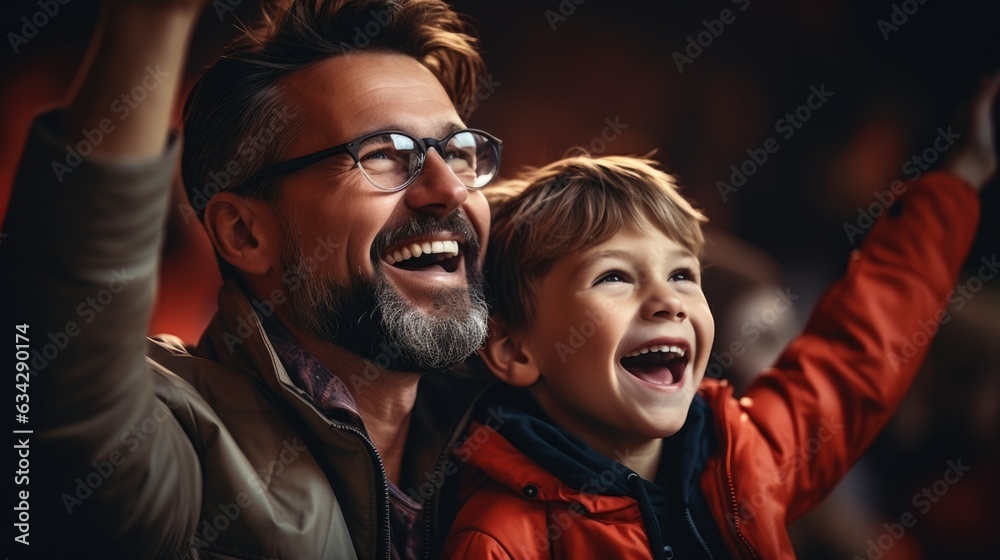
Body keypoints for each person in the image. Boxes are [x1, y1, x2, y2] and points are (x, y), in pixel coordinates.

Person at [2, 0, 502, 558]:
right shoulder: (177, 453)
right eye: (384, 154)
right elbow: (66, 334)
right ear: (244, 234)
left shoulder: (532, 422)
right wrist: (150, 23)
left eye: (458, 152)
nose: (451, 190)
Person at [442, 73, 998, 558]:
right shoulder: (498, 541)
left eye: (683, 274)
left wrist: (956, 184)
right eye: (613, 277)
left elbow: (858, 353)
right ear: (515, 349)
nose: (669, 301)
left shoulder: (747, 456)